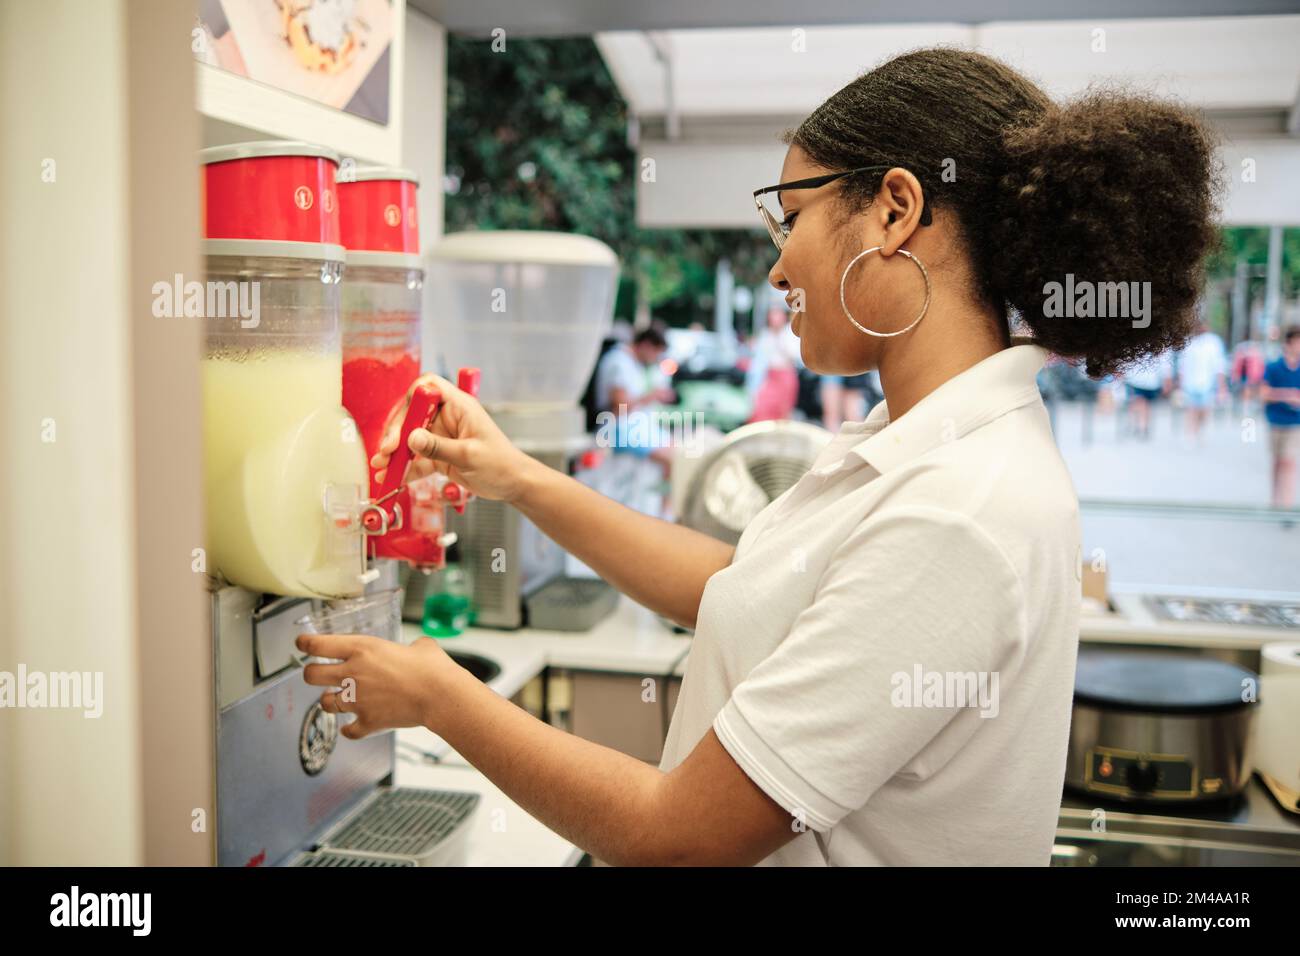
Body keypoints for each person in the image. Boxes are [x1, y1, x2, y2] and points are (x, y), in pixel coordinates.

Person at [299, 48, 1218, 866]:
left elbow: (681, 839)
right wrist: (518, 477)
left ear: (895, 208)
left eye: (793, 218)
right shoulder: (913, 440)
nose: (778, 269)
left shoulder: (958, 506)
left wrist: (438, 697)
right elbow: (741, 584)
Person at [1260, 325, 1300, 512]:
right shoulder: (1273, 366)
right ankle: (1275, 500)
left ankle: (1287, 505)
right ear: (1289, 343)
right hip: (1275, 420)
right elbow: (1263, 393)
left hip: (1295, 423)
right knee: (1277, 462)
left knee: (1288, 462)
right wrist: (1287, 395)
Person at [746, 306, 803, 421]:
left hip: (786, 375)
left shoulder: (790, 333)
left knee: (784, 411)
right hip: (770, 376)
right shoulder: (765, 335)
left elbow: (796, 355)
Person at [1176, 322, 1228, 442]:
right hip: (1190, 383)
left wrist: (1221, 386)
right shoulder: (1188, 342)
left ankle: (1200, 430)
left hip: (1207, 383)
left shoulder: (1214, 342)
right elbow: (1182, 366)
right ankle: (1191, 434)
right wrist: (1179, 384)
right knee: (1191, 409)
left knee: (1204, 410)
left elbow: (1219, 365)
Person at [1122, 350, 1172, 440]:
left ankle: (1142, 425)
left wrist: (1166, 380)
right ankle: (1141, 425)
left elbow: (1165, 362)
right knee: (1139, 402)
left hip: (1151, 381)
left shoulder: (1160, 345)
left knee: (1145, 404)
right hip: (1135, 379)